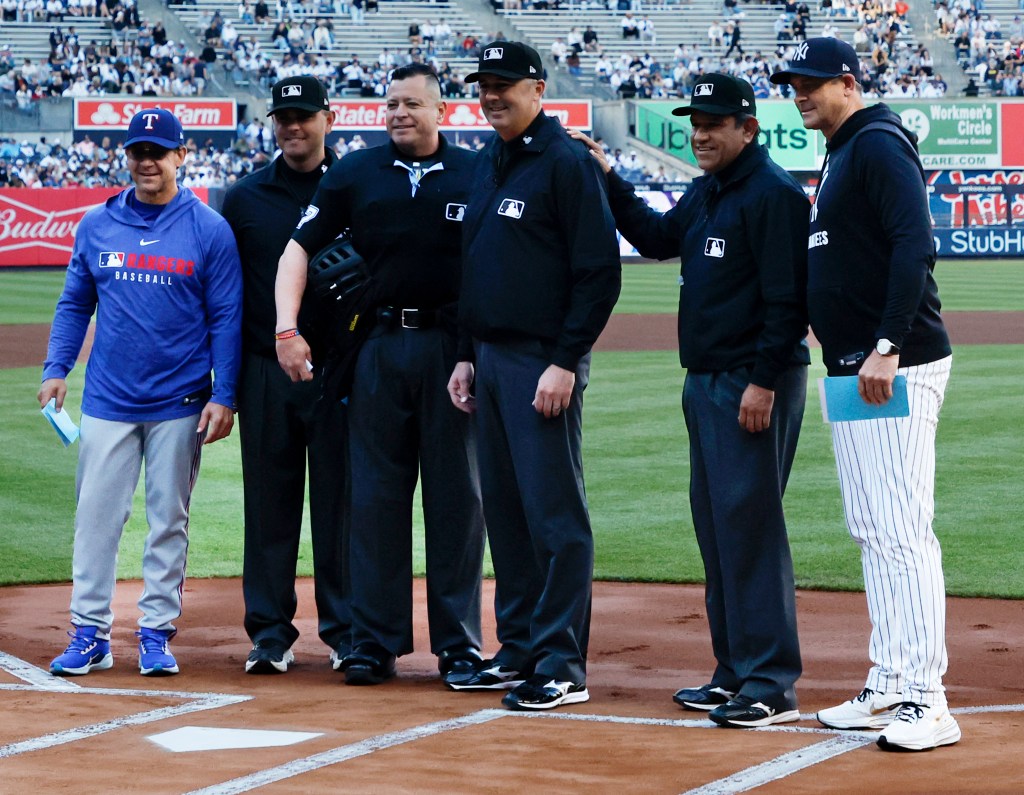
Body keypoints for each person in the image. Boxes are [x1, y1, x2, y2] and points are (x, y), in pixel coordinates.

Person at [573, 73, 810, 728]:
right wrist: (608, 178)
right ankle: (733, 670)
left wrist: (763, 380)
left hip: (751, 383)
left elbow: (790, 302)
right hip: (704, 380)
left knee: (750, 529)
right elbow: (653, 237)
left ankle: (769, 682)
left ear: (748, 129)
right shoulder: (711, 189)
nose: (700, 133)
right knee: (717, 529)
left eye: (714, 123)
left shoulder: (773, 196)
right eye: (695, 123)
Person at [771, 38, 959, 752]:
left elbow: (915, 243)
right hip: (853, 369)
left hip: (894, 366)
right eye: (794, 84)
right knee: (872, 528)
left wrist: (886, 343)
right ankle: (889, 681)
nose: (801, 94)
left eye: (813, 83)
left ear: (849, 82)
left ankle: (927, 698)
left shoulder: (878, 143)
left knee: (904, 529)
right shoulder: (843, 150)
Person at [274, 63, 485, 687]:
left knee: (456, 501)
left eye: (412, 104)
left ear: (442, 112)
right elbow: (298, 249)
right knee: (374, 501)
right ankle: (372, 642)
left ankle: (460, 646)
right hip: (377, 348)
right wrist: (287, 327)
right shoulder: (355, 172)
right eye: (391, 103)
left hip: (452, 352)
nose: (398, 113)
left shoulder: (477, 171)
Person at [445, 41, 621, 711]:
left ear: (538, 89)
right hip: (489, 359)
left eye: (505, 84)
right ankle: (518, 644)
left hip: (541, 360)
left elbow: (599, 273)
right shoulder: (491, 162)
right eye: (484, 85)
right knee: (509, 514)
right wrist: (465, 351)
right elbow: (474, 269)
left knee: (555, 515)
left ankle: (560, 661)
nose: (492, 95)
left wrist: (564, 359)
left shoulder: (566, 163)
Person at [42, 108, 242, 678]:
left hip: (180, 401)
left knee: (167, 521)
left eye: (158, 151)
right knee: (95, 519)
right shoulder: (96, 225)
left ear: (182, 156)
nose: (147, 161)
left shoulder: (208, 229)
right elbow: (75, 302)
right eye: (138, 151)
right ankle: (89, 633)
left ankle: (155, 633)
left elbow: (227, 317)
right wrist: (56, 367)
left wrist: (223, 393)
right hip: (107, 399)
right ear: (126, 157)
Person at [221, 75, 351, 675]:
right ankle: (270, 632)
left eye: (303, 115)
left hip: (340, 371)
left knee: (339, 507)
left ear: (328, 117)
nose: (292, 126)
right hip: (266, 372)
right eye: (283, 117)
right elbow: (228, 299)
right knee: (269, 507)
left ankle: (345, 630)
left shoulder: (356, 185)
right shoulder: (245, 197)